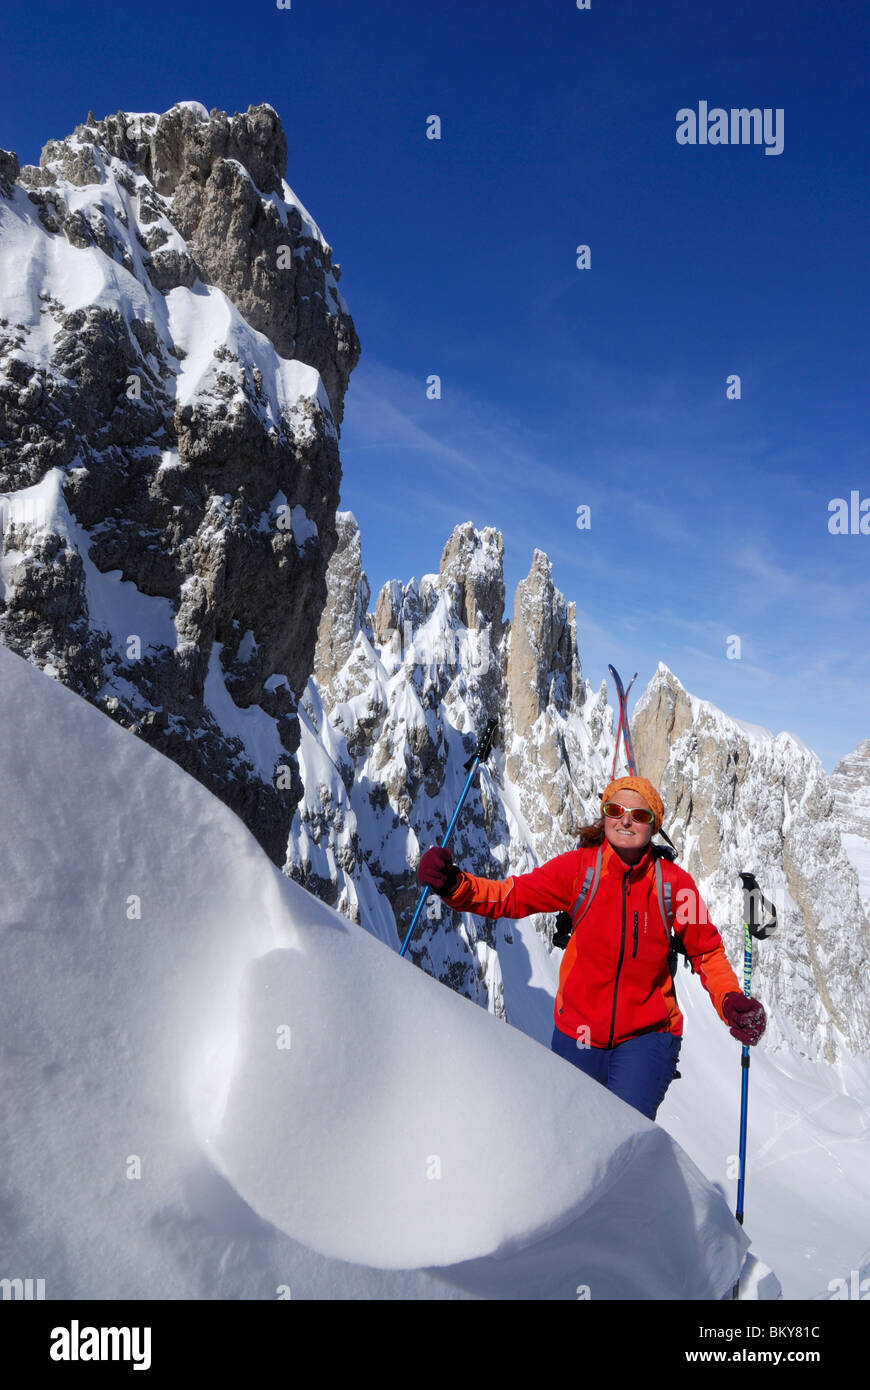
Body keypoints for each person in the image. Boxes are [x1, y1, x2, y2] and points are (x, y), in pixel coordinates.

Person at [417, 774, 766, 1121]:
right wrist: (454, 884)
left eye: (639, 815)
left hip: (646, 1037)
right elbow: (513, 897)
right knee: (575, 1134)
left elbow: (706, 952)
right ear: (605, 815)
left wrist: (729, 1000)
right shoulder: (579, 870)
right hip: (578, 1033)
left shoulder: (675, 886)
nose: (626, 819)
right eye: (616, 810)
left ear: (653, 826)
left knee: (623, 1136)